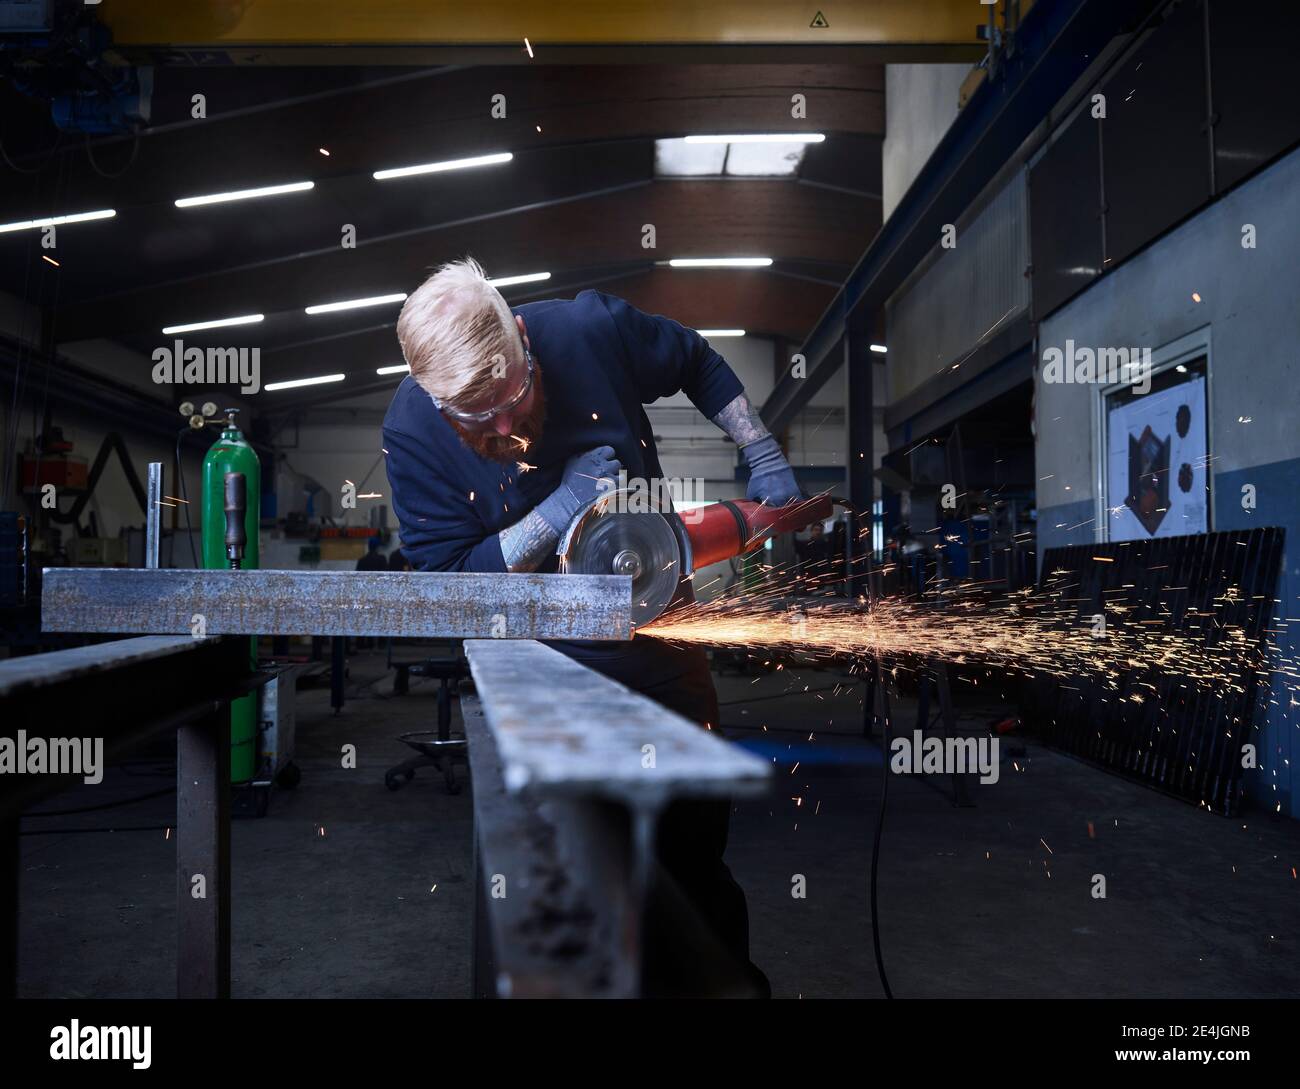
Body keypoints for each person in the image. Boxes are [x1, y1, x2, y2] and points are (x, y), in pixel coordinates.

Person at [382, 257, 801, 996]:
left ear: (519, 335)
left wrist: (758, 447)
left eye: (517, 394)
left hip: (660, 638)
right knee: (573, 875)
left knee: (693, 862)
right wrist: (557, 510)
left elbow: (696, 359)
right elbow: (453, 584)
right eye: (480, 419)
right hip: (535, 676)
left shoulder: (588, 330)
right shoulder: (413, 429)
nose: (509, 425)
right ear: (435, 398)